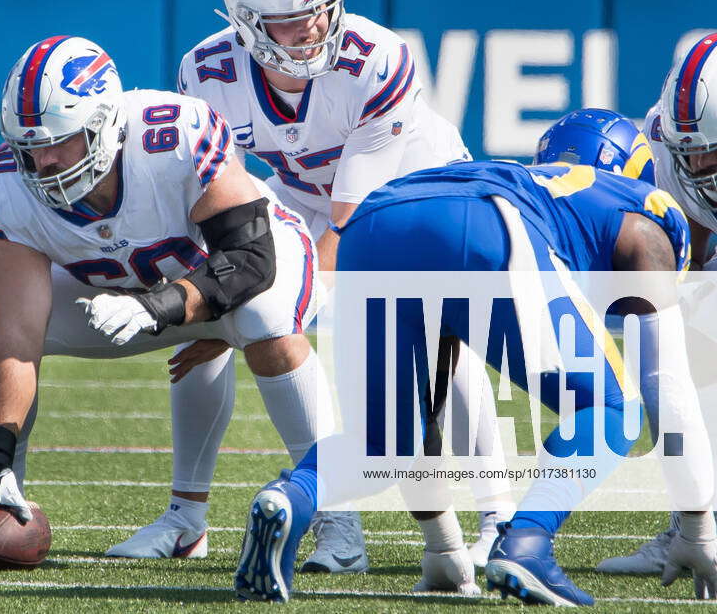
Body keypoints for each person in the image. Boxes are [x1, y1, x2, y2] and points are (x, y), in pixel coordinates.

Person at [0, 35, 339, 572]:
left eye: (60, 142)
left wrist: (161, 307)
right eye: (29, 146)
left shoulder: (174, 135)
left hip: (252, 266)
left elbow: (250, 260)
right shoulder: (4, 184)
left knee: (264, 318)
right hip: (132, 289)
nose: (43, 163)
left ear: (107, 125)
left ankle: (335, 520)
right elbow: (17, 332)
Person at [170, 0, 511, 575]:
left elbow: (349, 228)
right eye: (294, 20)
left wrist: (257, 307)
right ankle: (271, 518)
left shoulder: (376, 59)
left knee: (441, 335)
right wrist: (215, 298)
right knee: (227, 316)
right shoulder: (205, 73)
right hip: (301, 193)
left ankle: (498, 515)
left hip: (418, 188)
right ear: (246, 22)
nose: (316, 29)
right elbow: (212, 197)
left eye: (321, 10)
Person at [234, 157, 717, 605]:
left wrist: (442, 549)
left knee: (381, 446)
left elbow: (427, 414)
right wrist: (698, 529)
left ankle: (290, 498)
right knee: (616, 408)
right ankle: (527, 542)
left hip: (371, 224)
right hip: (485, 222)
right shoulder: (652, 220)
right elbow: (665, 386)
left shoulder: (547, 192)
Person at [594, 34, 717, 575]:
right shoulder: (671, 136)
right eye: (692, 152)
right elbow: (688, 250)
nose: (701, 163)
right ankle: (691, 524)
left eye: (711, 150)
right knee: (681, 341)